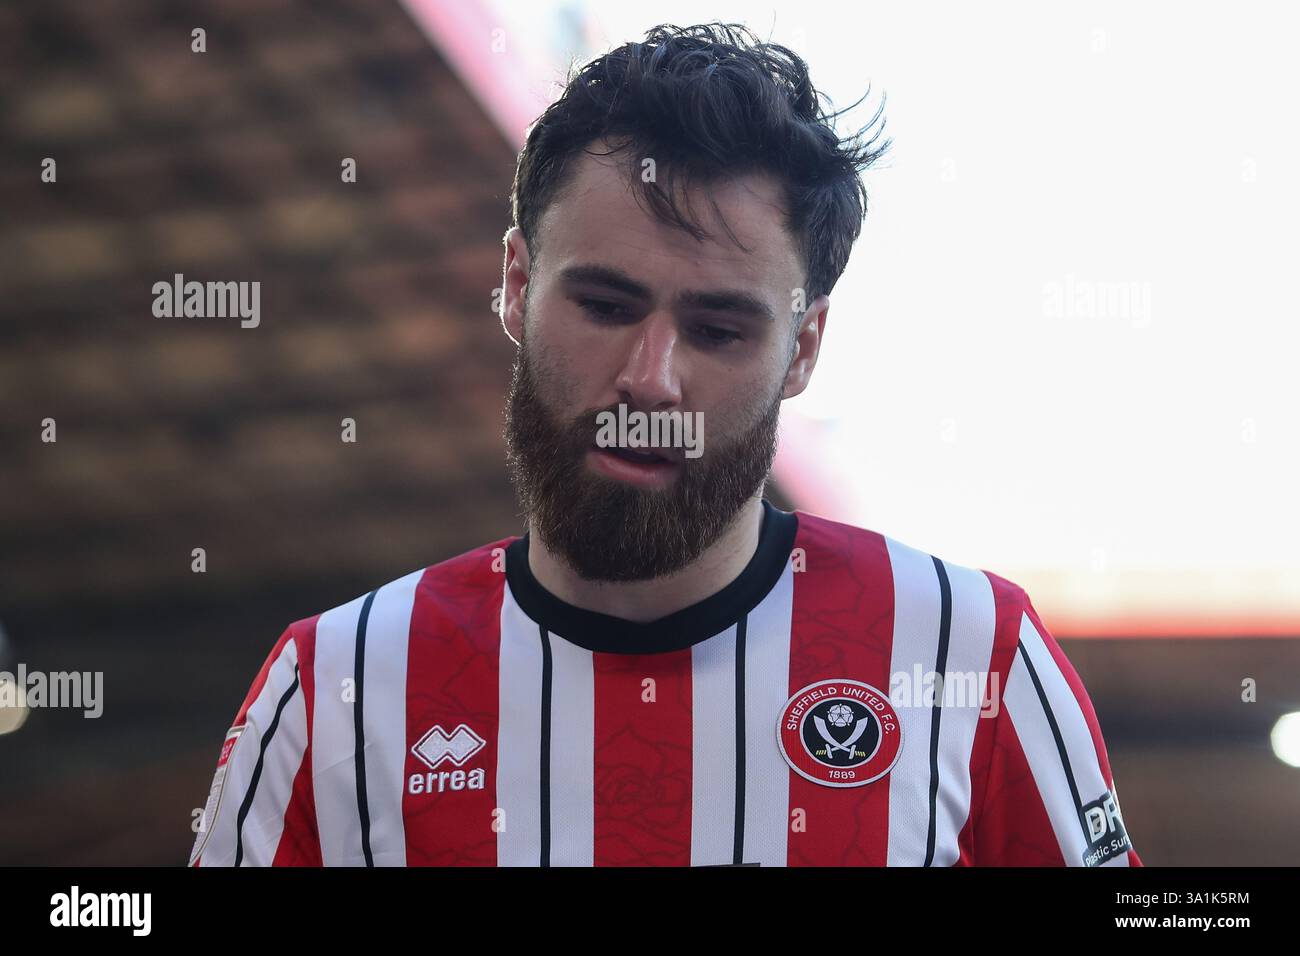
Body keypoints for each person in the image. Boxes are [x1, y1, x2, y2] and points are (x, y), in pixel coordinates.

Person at [190, 22, 1139, 867]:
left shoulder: (968, 653)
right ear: (517, 286)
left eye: (719, 329)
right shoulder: (337, 688)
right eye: (604, 305)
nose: (652, 377)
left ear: (803, 349)